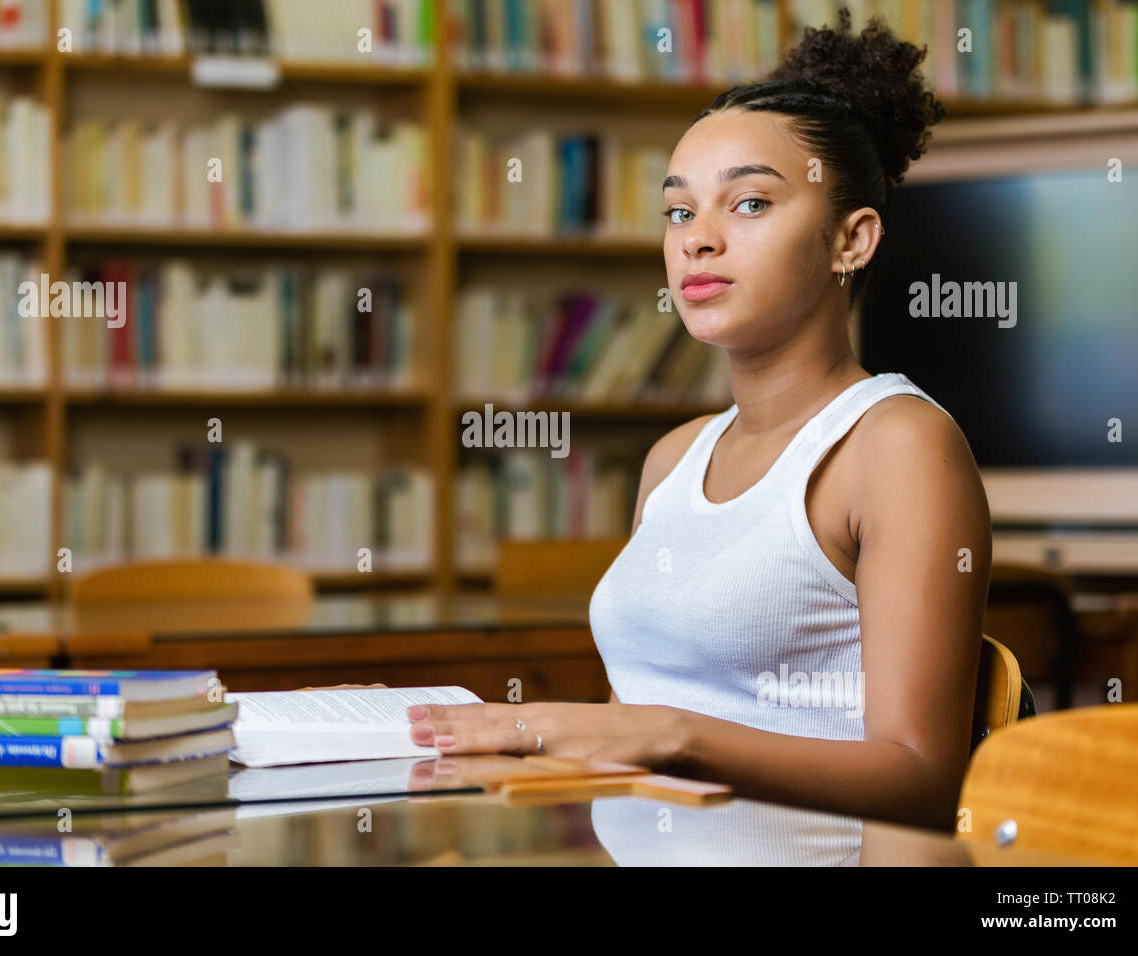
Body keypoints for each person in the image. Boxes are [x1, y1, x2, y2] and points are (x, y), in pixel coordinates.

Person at [405, 10, 991, 832]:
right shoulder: (675, 457)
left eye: (749, 204)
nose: (698, 241)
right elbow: (631, 737)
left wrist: (668, 735)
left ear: (852, 240)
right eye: (679, 213)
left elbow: (922, 778)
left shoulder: (899, 445)